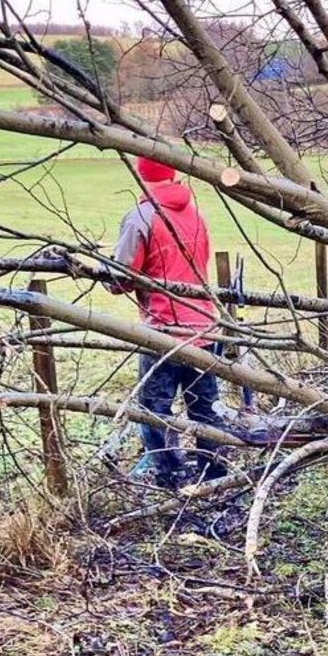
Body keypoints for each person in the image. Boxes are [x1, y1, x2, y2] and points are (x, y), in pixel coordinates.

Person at [109, 156, 224, 489]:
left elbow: (121, 279)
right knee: (205, 407)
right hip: (204, 326)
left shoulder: (141, 217)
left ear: (141, 176)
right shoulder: (196, 214)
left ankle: (170, 474)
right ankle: (213, 471)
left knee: (154, 409)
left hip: (164, 331)